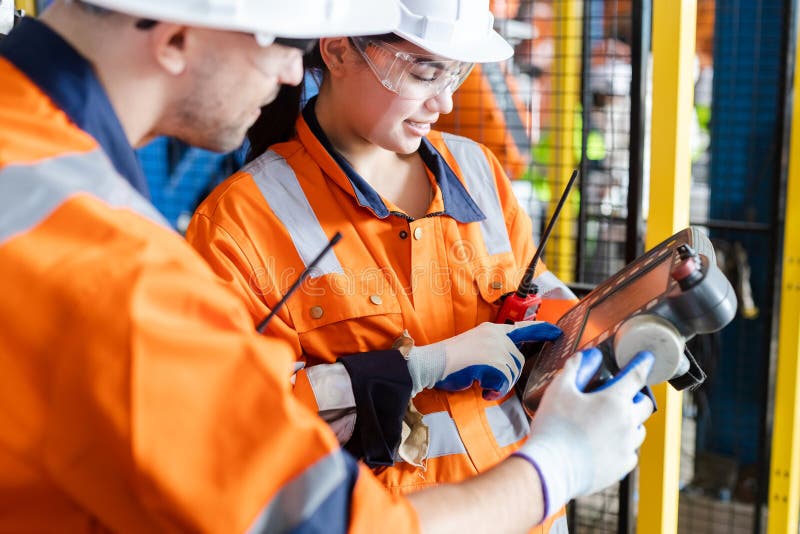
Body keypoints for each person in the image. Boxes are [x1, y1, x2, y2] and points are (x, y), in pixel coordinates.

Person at [0, 0, 654, 531]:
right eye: (283, 41)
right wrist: (558, 467)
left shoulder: (34, 163)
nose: (294, 72)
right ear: (174, 37)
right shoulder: (120, 264)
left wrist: (597, 334)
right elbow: (320, 521)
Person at [186, 1, 623, 531]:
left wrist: (595, 330)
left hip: (524, 509)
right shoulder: (243, 220)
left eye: (458, 72)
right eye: (423, 71)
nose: (443, 102)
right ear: (339, 49)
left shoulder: (478, 170)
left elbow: (533, 283)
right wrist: (421, 367)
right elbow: (242, 420)